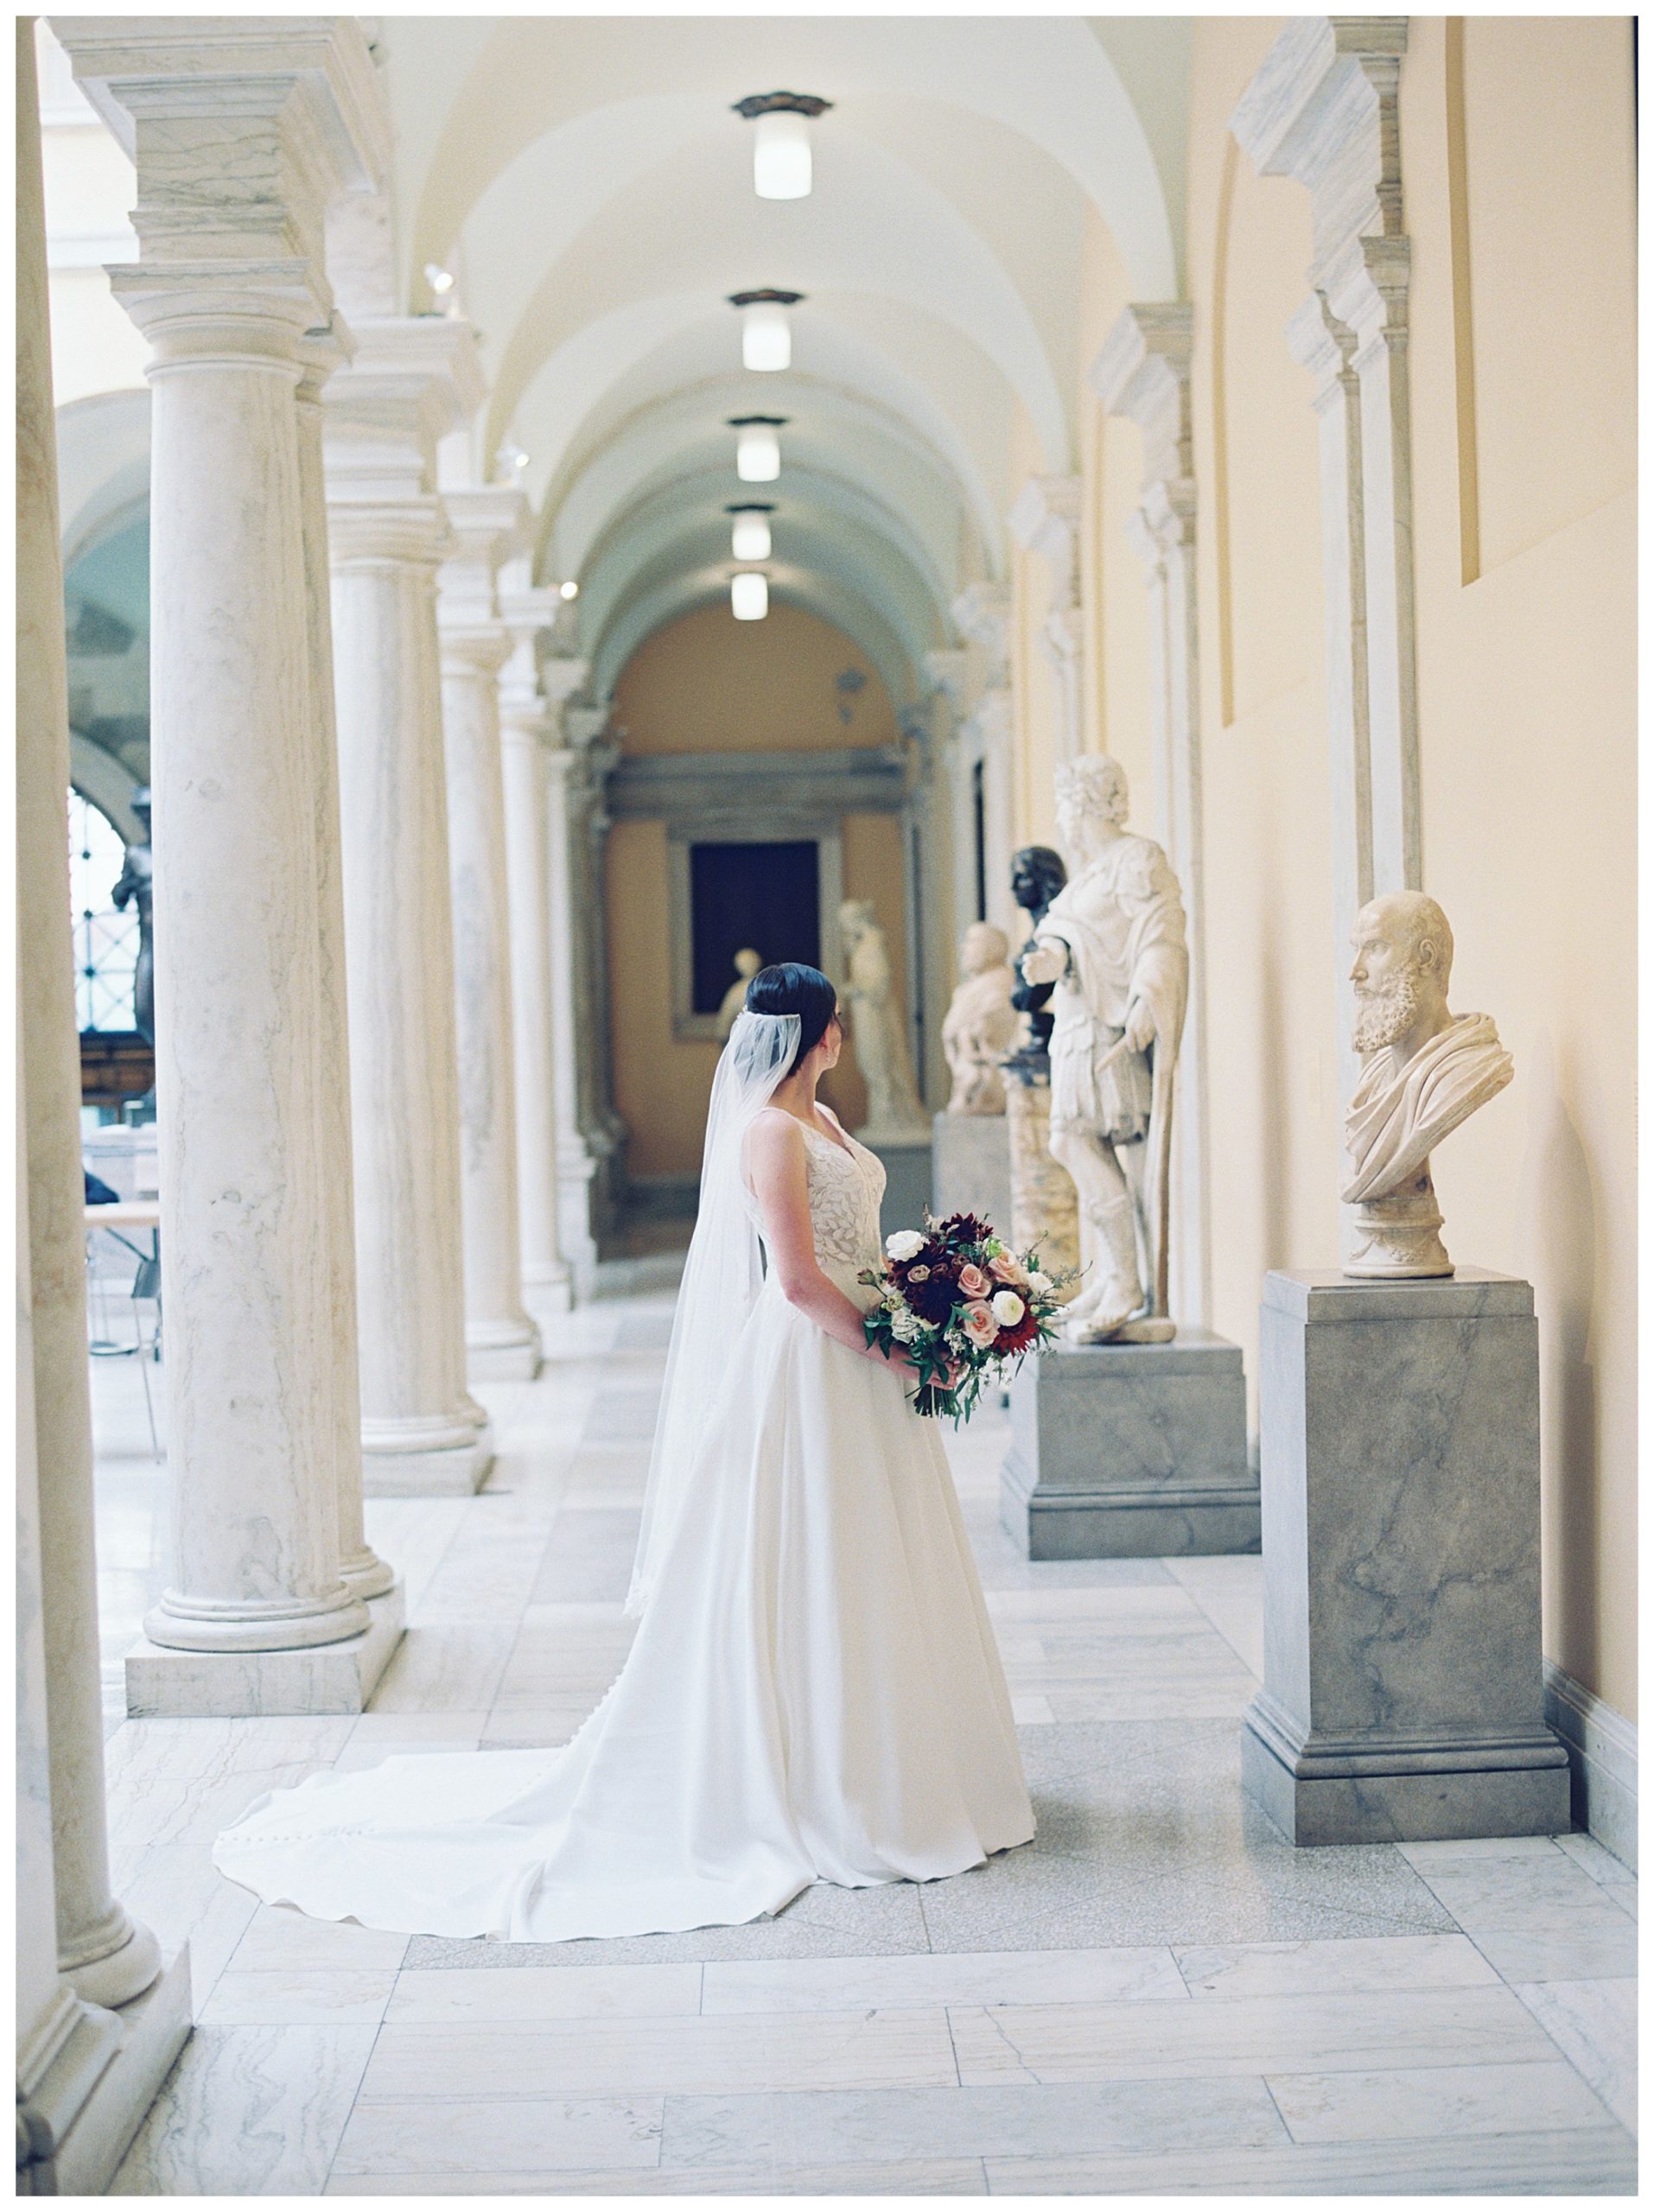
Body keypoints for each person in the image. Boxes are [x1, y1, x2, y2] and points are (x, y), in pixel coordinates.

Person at [213, 963, 1033, 1942]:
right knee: (818, 1549)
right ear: (814, 1032)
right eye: (836, 1024)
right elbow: (798, 1281)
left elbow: (856, 1253)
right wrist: (891, 1346)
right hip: (817, 1362)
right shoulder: (768, 1132)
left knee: (875, 1555)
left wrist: (929, 1298)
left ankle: (894, 1759)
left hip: (866, 1360)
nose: (844, 1036)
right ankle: (824, 1773)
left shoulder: (830, 1121)